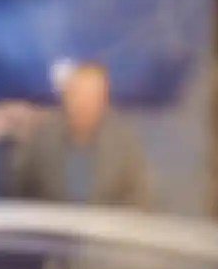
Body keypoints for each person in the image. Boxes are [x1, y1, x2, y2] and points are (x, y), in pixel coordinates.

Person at [10, 63, 150, 208]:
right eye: (77, 95)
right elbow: (19, 191)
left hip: (105, 221)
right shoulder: (42, 136)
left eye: (92, 97)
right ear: (65, 97)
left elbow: (140, 198)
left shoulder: (125, 143)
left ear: (104, 101)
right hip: (52, 220)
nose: (83, 104)